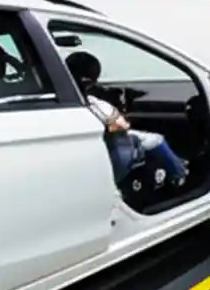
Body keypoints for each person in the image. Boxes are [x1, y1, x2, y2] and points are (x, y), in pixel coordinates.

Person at [65, 52, 188, 189]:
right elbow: (121, 126)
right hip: (111, 152)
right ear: (90, 81)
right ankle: (179, 174)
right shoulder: (95, 104)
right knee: (155, 140)